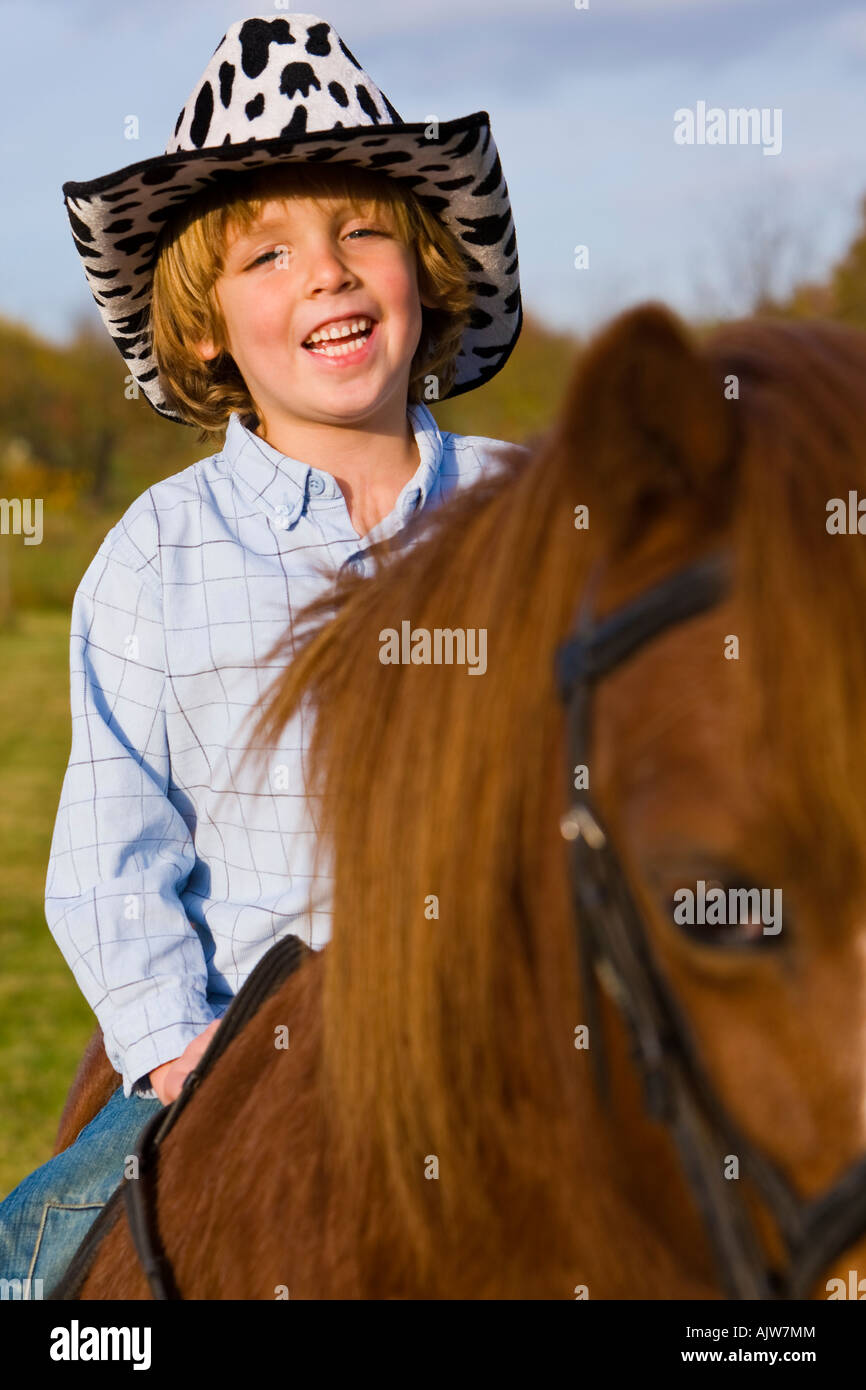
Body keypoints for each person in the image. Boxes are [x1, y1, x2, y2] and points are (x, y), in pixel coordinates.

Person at [0, 10, 525, 1298]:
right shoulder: (156, 556)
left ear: (425, 266)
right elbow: (113, 843)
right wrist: (181, 1050)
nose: (329, 274)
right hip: (261, 1076)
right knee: (39, 1259)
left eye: (363, 231)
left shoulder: (540, 520)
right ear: (204, 332)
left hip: (526, 1056)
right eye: (269, 254)